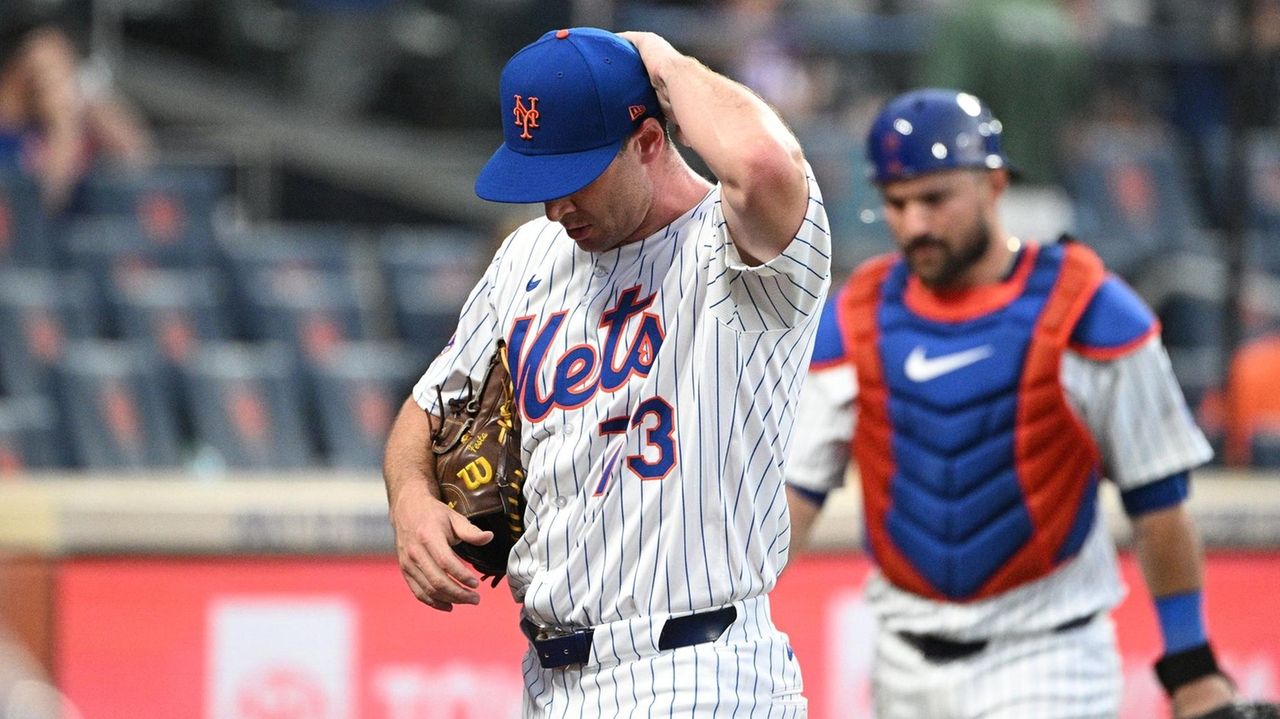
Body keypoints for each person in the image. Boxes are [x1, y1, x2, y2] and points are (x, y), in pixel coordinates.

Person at [383, 27, 830, 716]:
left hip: (698, 668)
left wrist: (664, 60)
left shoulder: (735, 245)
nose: (556, 205)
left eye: (573, 177)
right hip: (549, 674)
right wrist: (411, 499)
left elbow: (764, 162)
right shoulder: (529, 255)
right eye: (538, 181)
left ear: (649, 141)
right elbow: (426, 409)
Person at [784, 88, 1242, 718]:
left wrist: (1191, 665)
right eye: (896, 202)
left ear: (994, 185)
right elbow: (794, 498)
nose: (914, 223)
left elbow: (1158, 500)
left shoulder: (1091, 310)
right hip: (900, 665)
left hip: (1048, 661)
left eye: (935, 198)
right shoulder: (856, 318)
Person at [0, 10, 153, 213]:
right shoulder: (12, 133)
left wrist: (85, 88)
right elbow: (43, 204)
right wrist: (63, 123)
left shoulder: (61, 113)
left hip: (82, 238)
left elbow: (136, 156)